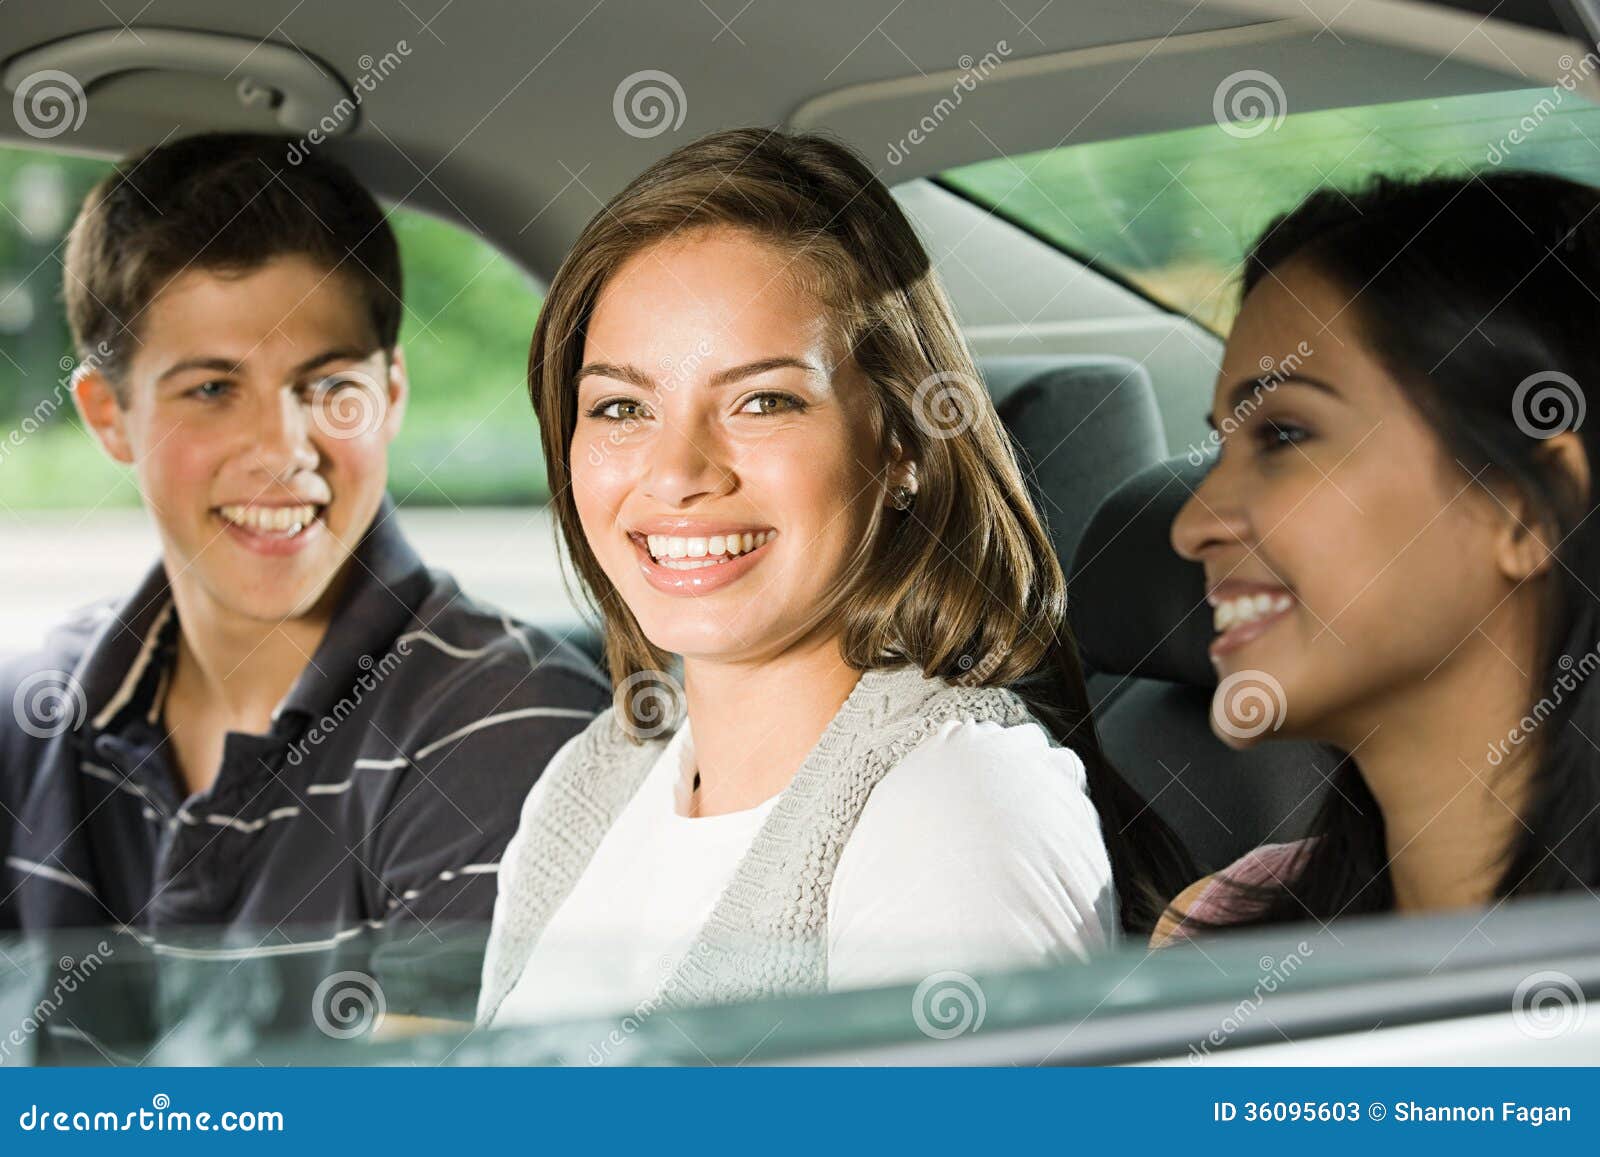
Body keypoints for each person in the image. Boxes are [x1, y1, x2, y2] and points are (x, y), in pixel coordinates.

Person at [479, 127, 1189, 1027]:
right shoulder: (590, 784)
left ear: (900, 444)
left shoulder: (955, 808)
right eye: (622, 407)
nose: (677, 472)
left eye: (763, 401)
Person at [0, 134, 610, 1024]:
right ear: (109, 416)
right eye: (212, 390)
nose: (285, 451)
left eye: (328, 386)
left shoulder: (508, 727)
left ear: (392, 392)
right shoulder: (29, 715)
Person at [1155, 170, 1600, 942]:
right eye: (1222, 446)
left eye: (1285, 435)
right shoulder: (1219, 931)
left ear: (1522, 508)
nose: (1192, 524)